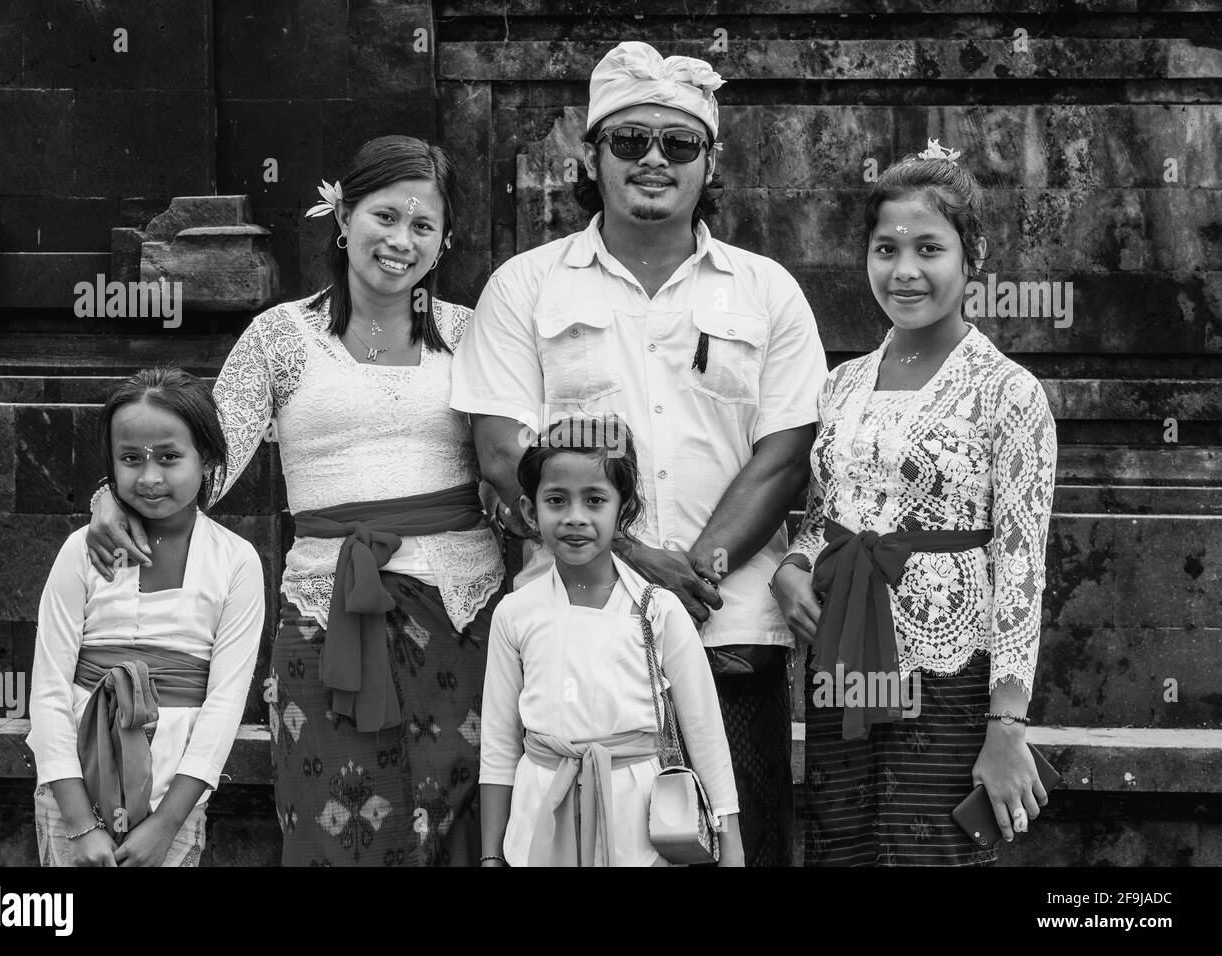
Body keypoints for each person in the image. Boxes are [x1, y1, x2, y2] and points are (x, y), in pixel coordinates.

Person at [451, 41, 827, 866]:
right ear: (592, 154)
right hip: (573, 630)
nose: (654, 160)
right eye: (629, 140)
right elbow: (503, 451)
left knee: (737, 842)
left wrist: (692, 571)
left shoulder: (766, 292)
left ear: (707, 160)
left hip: (731, 629)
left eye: (679, 143)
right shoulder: (526, 287)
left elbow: (785, 452)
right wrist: (635, 563)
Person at [85, 136, 506, 866]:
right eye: (384, 216)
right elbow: (204, 465)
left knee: (455, 829)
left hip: (463, 621)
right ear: (342, 217)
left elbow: (513, 469)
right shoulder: (279, 338)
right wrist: (115, 496)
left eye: (423, 226)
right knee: (327, 830)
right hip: (324, 620)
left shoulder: (476, 336)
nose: (400, 241)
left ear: (444, 242)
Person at [771, 139, 1058, 866]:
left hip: (951, 674)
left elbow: (1021, 570)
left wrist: (1007, 726)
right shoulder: (842, 384)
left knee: (927, 853)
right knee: (843, 849)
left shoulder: (1009, 393)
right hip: (841, 660)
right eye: (885, 247)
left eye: (929, 248)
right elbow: (822, 515)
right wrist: (792, 566)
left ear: (974, 256)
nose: (905, 270)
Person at [479, 416, 743, 866]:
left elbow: (706, 736)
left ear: (624, 511)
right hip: (539, 825)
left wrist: (731, 849)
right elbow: (499, 745)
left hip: (638, 831)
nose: (575, 517)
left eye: (595, 500)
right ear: (529, 511)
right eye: (556, 500)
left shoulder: (657, 611)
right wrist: (490, 856)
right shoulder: (515, 613)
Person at [28, 366, 265, 867]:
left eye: (170, 457)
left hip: (172, 798)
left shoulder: (236, 561)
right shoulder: (81, 552)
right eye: (130, 459)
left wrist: (166, 824)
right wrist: (80, 825)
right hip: (72, 792)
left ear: (208, 459)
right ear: (111, 466)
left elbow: (224, 705)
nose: (150, 477)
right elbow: (49, 691)